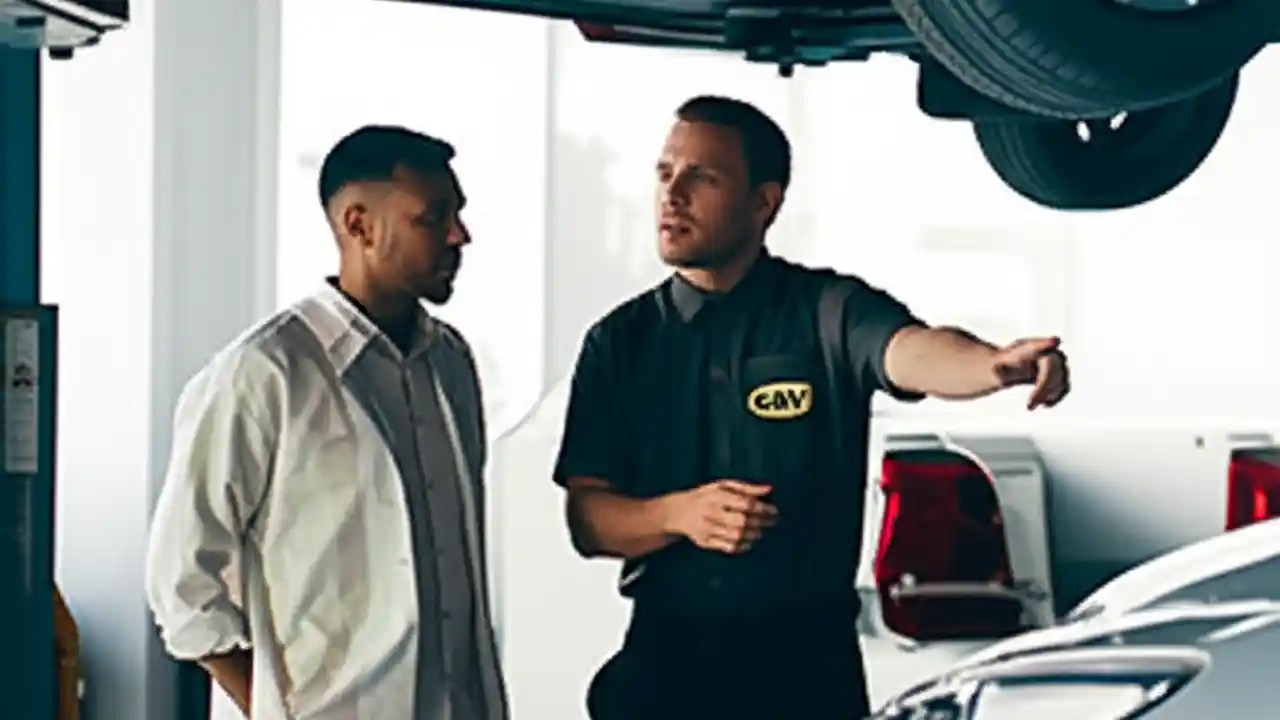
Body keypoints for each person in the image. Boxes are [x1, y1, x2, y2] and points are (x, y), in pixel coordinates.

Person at [553, 95, 1070, 720]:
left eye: (703, 177)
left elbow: (911, 349)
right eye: (665, 172)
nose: (673, 195)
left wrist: (992, 365)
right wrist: (680, 514)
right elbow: (588, 520)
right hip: (666, 666)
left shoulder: (826, 311)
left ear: (763, 202)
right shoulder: (619, 342)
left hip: (806, 672)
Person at [145, 125, 508, 720]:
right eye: (434, 217)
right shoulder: (263, 373)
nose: (458, 235)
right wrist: (272, 708)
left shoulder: (450, 362)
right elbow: (182, 582)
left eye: (458, 213)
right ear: (359, 225)